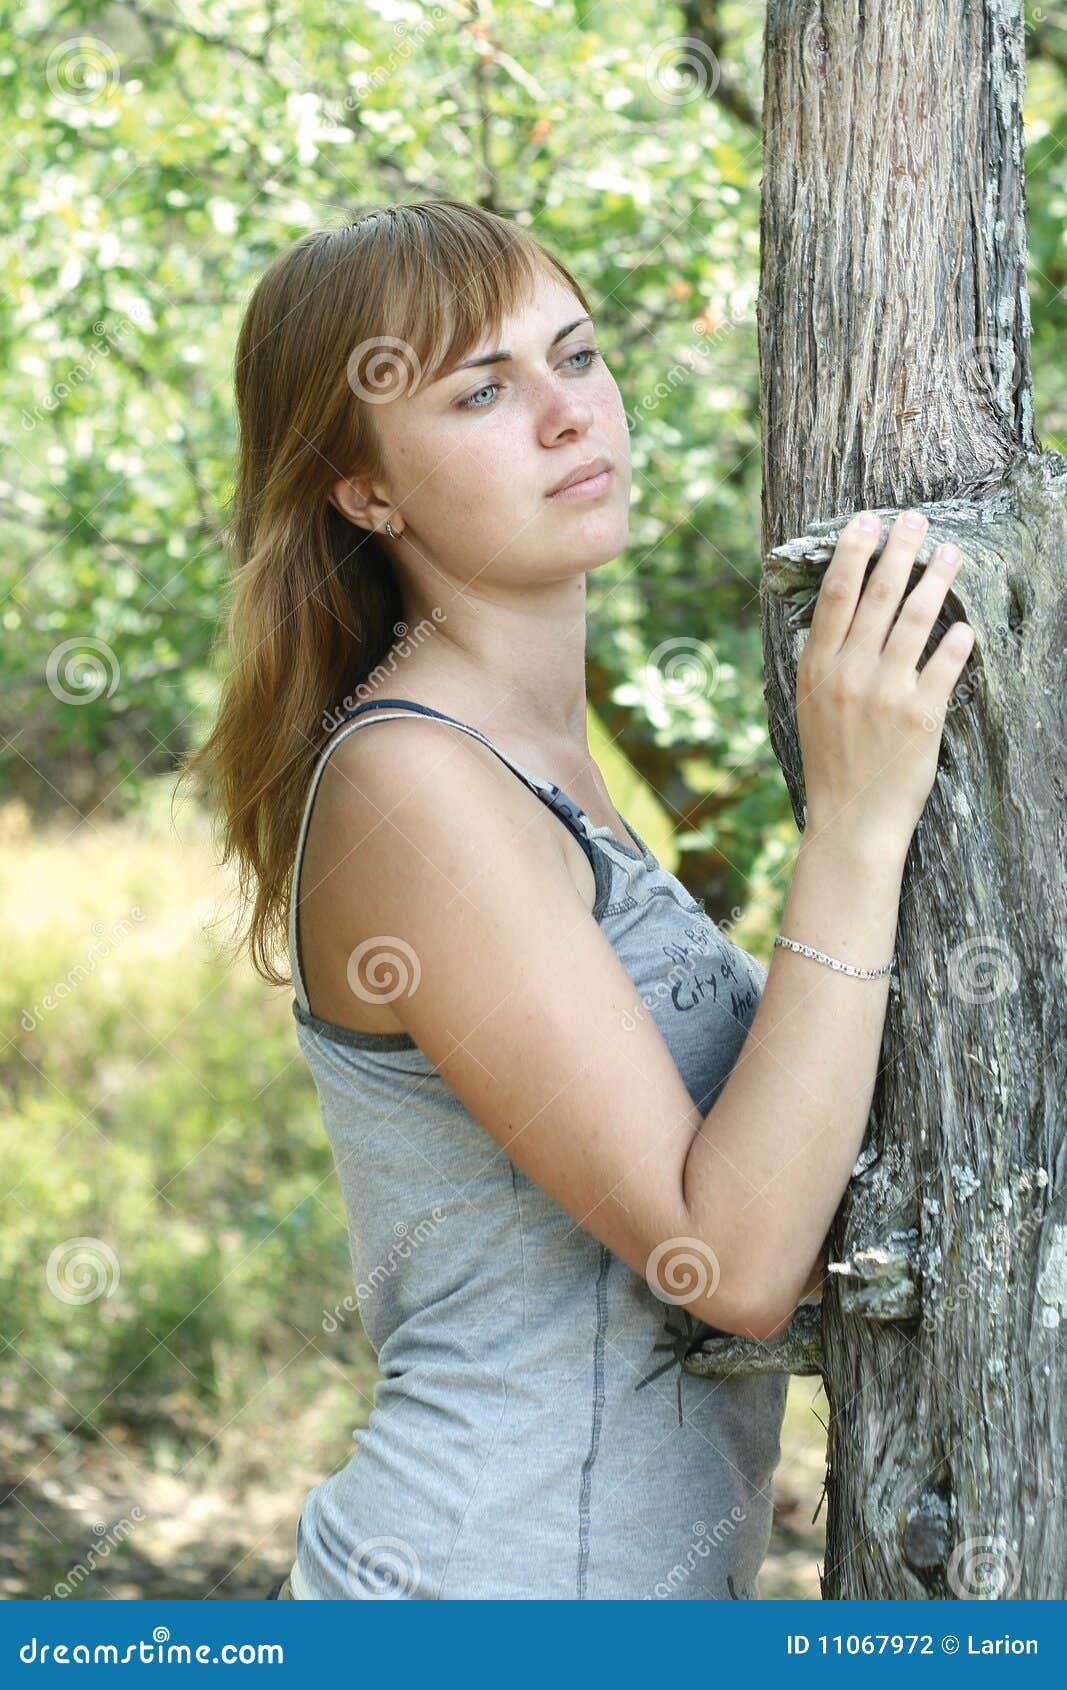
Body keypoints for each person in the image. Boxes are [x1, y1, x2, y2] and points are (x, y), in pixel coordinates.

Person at [184, 199, 975, 1599]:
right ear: (363, 489)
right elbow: (725, 1258)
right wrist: (855, 823)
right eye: (481, 389)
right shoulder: (411, 784)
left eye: (578, 356)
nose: (567, 416)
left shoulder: (539, 762)